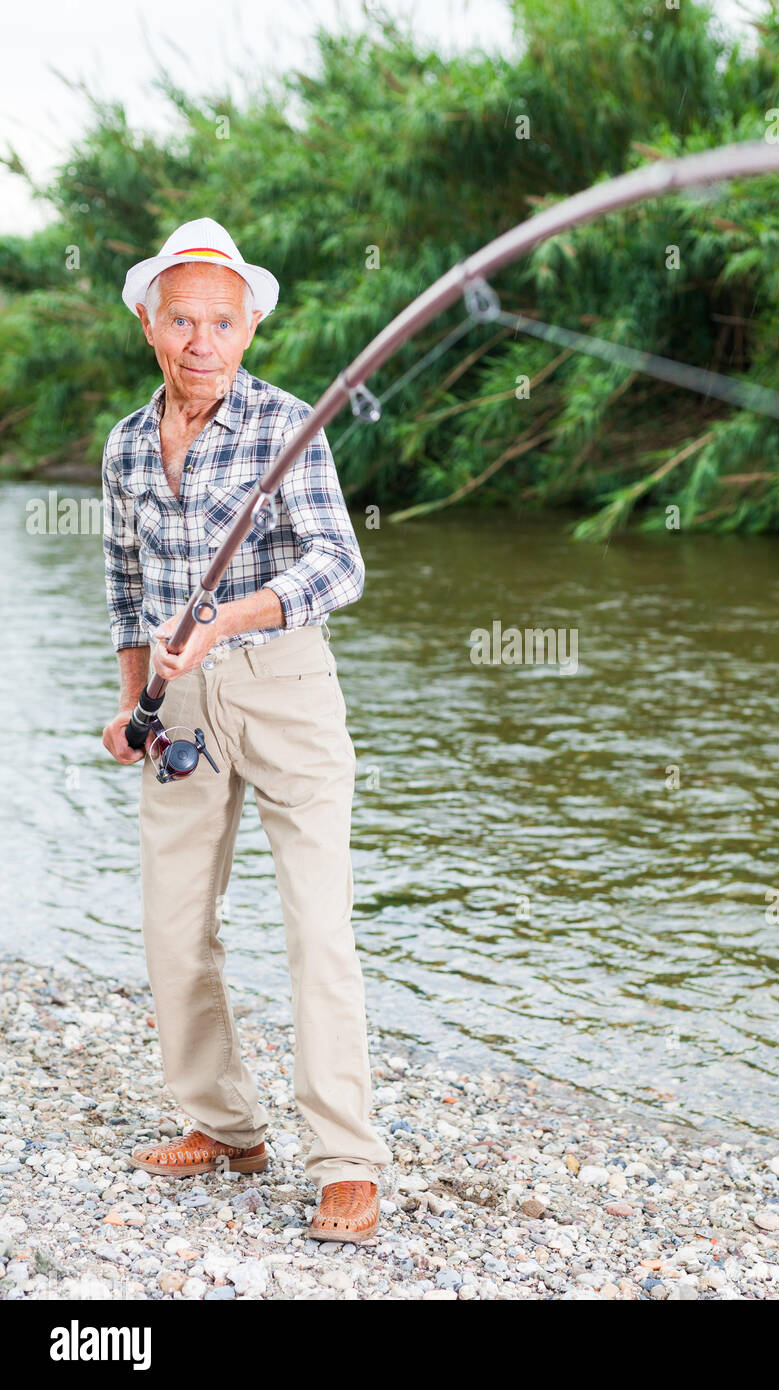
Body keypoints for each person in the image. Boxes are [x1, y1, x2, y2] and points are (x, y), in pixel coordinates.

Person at [100, 216, 391, 1242]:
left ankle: (346, 1160)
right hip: (177, 707)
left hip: (284, 686)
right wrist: (132, 703)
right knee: (173, 924)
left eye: (221, 322)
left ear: (251, 325)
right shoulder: (127, 444)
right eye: (181, 319)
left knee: (318, 925)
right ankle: (223, 1125)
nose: (201, 341)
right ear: (148, 323)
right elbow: (127, 585)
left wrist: (231, 614)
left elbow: (337, 567)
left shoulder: (288, 425)